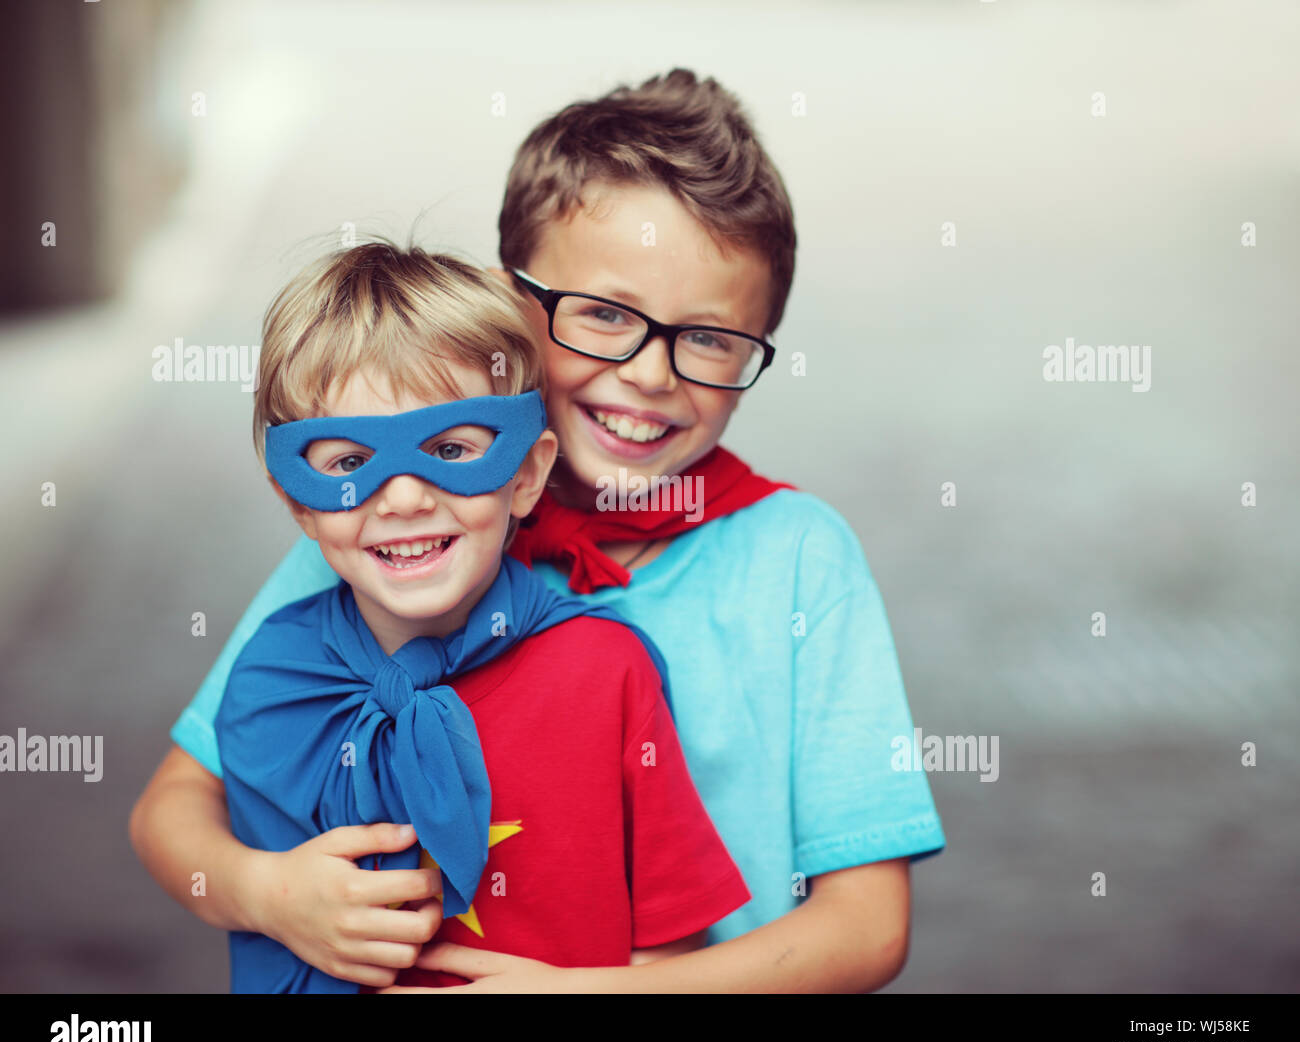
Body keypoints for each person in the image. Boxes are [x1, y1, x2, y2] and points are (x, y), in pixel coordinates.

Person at [130, 69, 945, 994]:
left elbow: (867, 930)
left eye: (711, 338)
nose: (649, 374)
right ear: (509, 303)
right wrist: (265, 891)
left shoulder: (800, 559)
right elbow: (173, 808)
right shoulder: (407, 526)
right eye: (603, 315)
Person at [203, 241, 749, 992]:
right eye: (347, 464)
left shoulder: (607, 673)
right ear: (298, 500)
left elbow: (670, 954)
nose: (402, 498)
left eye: (452, 449)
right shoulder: (274, 679)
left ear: (526, 474)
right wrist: (268, 894)